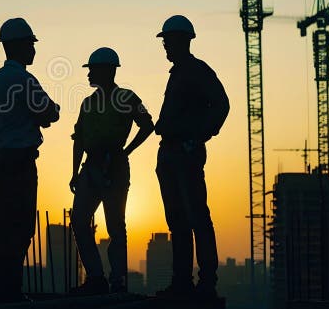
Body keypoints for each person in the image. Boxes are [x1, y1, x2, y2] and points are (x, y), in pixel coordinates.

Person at [154, 15, 230, 300]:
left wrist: (197, 137)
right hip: (171, 153)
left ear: (183, 41)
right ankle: (183, 282)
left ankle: (206, 281)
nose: (166, 47)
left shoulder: (197, 71)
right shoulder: (178, 74)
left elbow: (221, 106)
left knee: (197, 216)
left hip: (185, 153)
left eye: (169, 41)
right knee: (177, 220)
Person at [69, 47, 154, 295]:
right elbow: (79, 139)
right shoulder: (89, 103)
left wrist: (126, 151)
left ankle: (117, 281)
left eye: (92, 70)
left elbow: (147, 125)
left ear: (107, 70)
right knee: (79, 221)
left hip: (114, 167)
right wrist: (75, 172)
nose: (88, 74)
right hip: (92, 166)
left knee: (115, 225)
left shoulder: (127, 98)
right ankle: (97, 277)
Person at [0, 18, 60, 302]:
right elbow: (49, 113)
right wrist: (49, 112)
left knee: (3, 225)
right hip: (20, 161)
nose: (33, 49)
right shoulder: (24, 79)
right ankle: (12, 292)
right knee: (21, 226)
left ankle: (1, 289)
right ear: (17, 46)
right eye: (30, 44)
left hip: (1, 159)